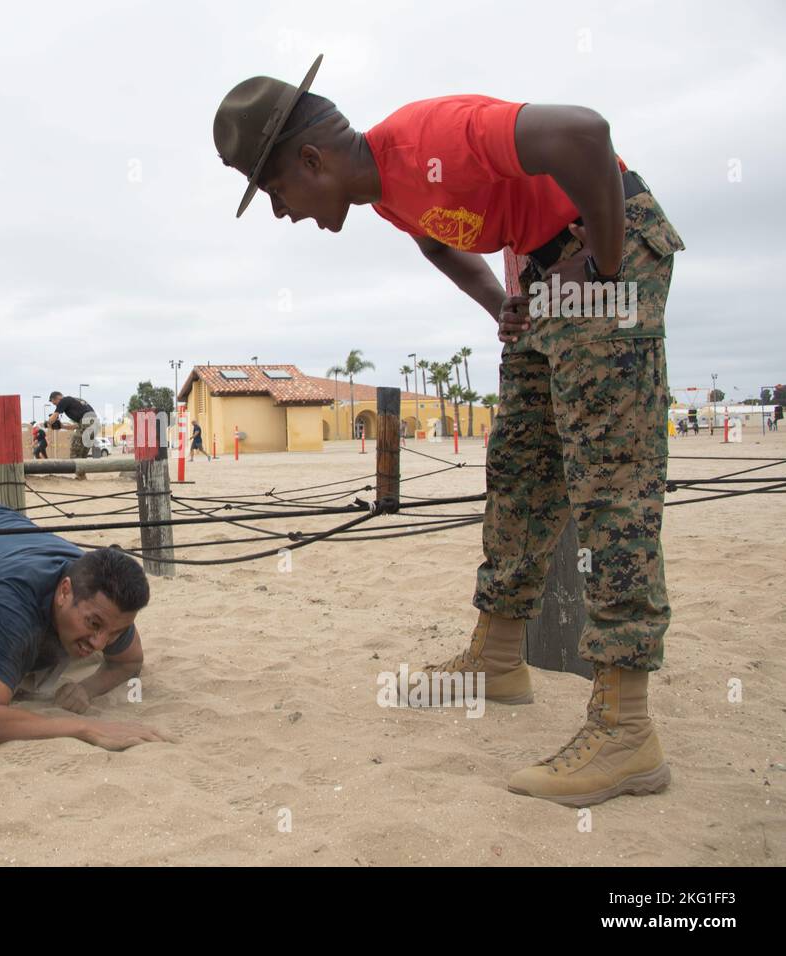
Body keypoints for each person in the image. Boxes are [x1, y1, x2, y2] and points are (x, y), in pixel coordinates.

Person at [214, 59, 683, 806]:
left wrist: (603, 262)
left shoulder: (436, 136)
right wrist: (503, 302)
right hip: (543, 272)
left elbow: (584, 133)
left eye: (274, 193)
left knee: (610, 485)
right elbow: (438, 243)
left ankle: (627, 728)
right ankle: (498, 660)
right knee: (520, 472)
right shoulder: (390, 195)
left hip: (604, 247)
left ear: (311, 160)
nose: (282, 213)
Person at [0, 502, 167, 750]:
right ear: (64, 591)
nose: (100, 643)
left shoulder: (107, 601)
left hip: (0, 526)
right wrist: (86, 728)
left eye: (116, 633)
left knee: (39, 648)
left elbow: (128, 662)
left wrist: (87, 688)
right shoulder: (11, 605)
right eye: (93, 624)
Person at [43, 391, 98, 479]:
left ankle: (80, 476)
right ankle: (82, 476)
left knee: (75, 452)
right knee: (82, 453)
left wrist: (47, 424)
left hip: (87, 422)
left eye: (55, 403)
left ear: (57, 398)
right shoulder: (76, 402)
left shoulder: (64, 400)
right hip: (94, 424)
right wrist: (63, 426)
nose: (56, 406)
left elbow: (54, 416)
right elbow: (78, 426)